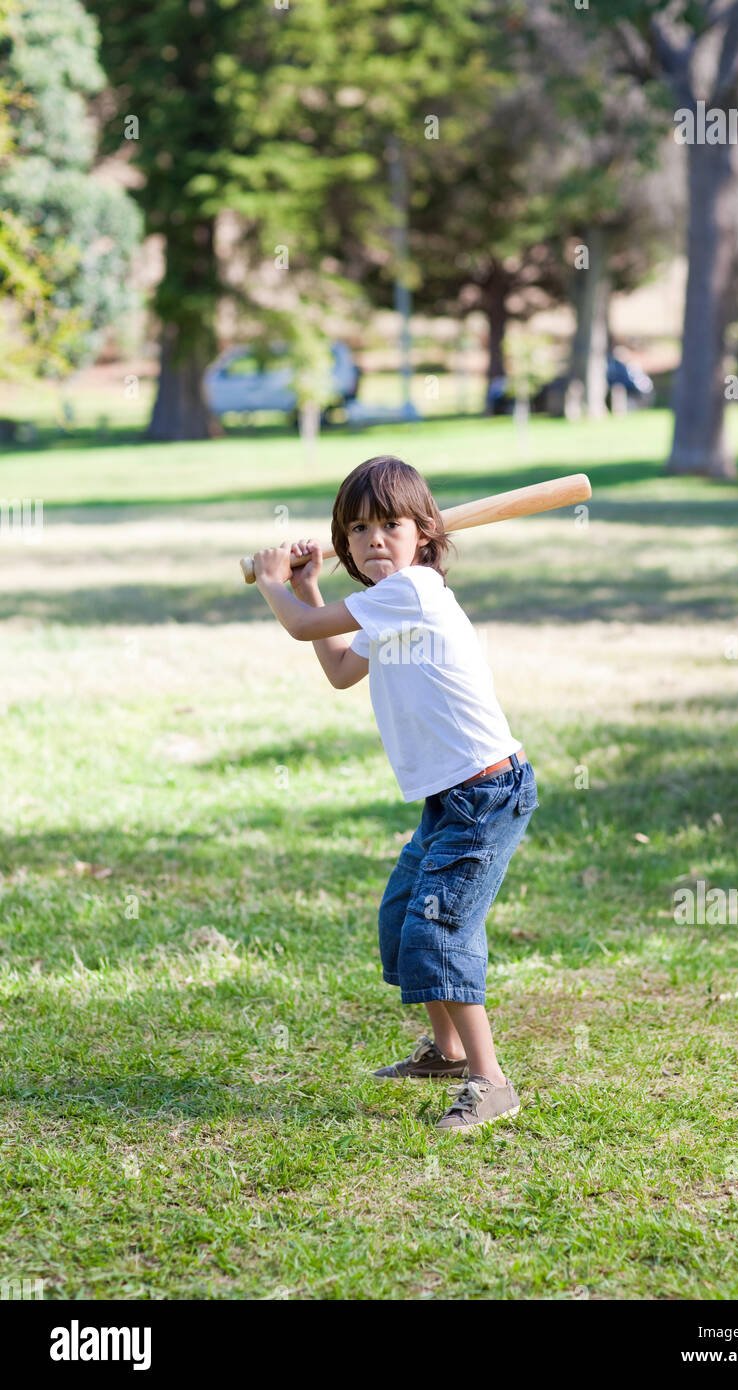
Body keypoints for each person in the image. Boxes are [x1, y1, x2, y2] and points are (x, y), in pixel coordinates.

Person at [252, 454, 539, 1135]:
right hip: (450, 798)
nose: (373, 539)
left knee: (438, 930)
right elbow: (341, 669)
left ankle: (490, 1081)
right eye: (357, 529)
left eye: (390, 524)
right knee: (402, 921)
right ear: (343, 543)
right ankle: (447, 1051)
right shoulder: (391, 606)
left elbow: (296, 627)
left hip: (487, 793)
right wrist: (310, 590)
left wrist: (274, 585)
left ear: (424, 535)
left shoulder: (414, 590)